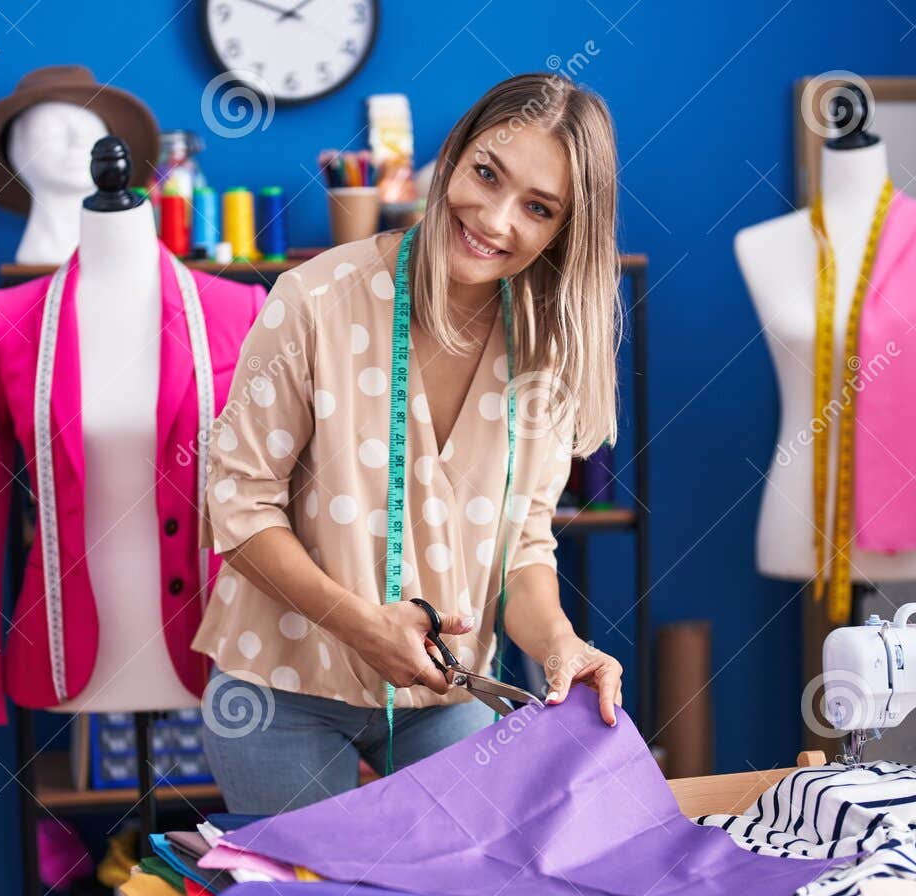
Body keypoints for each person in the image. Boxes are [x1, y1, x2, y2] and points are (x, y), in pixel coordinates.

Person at [192, 73, 624, 814]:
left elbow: (522, 546)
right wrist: (361, 625)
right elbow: (237, 504)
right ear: (453, 156)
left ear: (565, 229)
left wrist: (558, 641)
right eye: (486, 173)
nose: (493, 218)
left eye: (538, 207)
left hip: (444, 687)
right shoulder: (316, 301)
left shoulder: (549, 349)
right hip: (280, 687)